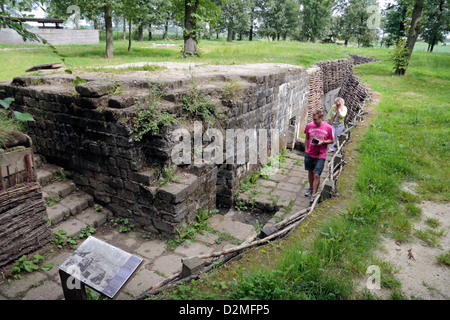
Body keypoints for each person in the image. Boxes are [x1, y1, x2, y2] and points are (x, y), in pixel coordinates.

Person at [304, 109, 334, 204]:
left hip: (321, 155)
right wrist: (306, 150)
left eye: (315, 119)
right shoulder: (309, 126)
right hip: (310, 153)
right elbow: (307, 138)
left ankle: (314, 194)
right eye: (313, 119)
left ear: (321, 118)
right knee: (310, 172)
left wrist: (323, 142)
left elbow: (332, 140)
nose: (314, 121)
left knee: (317, 174)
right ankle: (310, 188)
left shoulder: (328, 128)